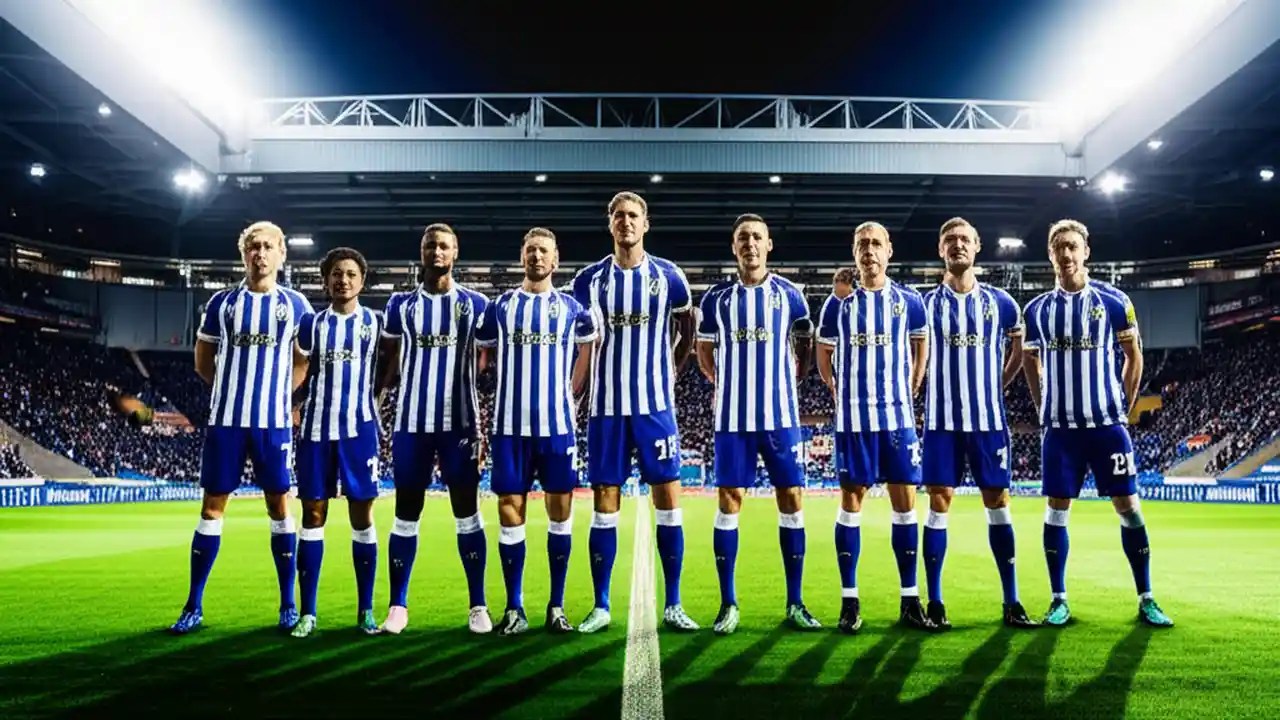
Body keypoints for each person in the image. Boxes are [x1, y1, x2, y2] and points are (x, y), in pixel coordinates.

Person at [1022, 219, 1173, 628]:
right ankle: (1058, 600)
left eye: (1072, 246)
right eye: (1059, 248)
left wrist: (1123, 405)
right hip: (1061, 431)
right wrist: (1042, 406)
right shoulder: (1037, 311)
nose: (1066, 254)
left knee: (1129, 508)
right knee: (1056, 511)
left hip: (1107, 427)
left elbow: (1134, 356)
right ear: (1050, 255)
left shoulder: (1113, 300)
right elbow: (1029, 361)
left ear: (1086, 251)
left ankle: (1146, 597)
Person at [171, 221, 312, 634]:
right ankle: (193, 605)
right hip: (227, 423)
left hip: (273, 425)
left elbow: (303, 360)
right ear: (243, 253)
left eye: (269, 247)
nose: (261, 253)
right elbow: (202, 360)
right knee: (212, 508)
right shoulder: (222, 303)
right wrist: (233, 390)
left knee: (280, 508)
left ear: (282, 254)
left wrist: (281, 394)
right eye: (254, 246)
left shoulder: (297, 305)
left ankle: (288, 604)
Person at [570, 191, 698, 633]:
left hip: (654, 408)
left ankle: (675, 603)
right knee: (605, 504)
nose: (626, 222)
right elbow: (580, 341)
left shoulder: (669, 277)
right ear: (609, 224)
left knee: (668, 500)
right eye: (619, 215)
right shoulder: (587, 280)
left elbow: (687, 327)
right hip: (605, 409)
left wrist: (672, 371)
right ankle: (601, 604)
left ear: (646, 224)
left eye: (633, 216)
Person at [696, 213, 819, 636]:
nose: (750, 243)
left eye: (757, 237)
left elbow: (804, 342)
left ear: (769, 246)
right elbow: (703, 351)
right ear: (734, 247)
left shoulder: (792, 297)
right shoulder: (716, 299)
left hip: (781, 418)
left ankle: (796, 601)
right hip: (732, 418)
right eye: (742, 238)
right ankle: (728, 604)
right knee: (729, 501)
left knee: (792, 499)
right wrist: (723, 382)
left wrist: (793, 376)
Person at [476, 227, 597, 636]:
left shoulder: (572, 308)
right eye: (530, 250)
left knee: (560, 518)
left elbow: (587, 352)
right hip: (509, 429)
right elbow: (482, 357)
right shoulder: (501, 307)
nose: (536, 257)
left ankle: (557, 606)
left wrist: (574, 397)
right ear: (521, 256)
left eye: (543, 251)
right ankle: (514, 608)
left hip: (557, 430)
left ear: (556, 259)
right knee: (510, 515)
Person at [919, 217, 1038, 630]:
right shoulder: (924, 305)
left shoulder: (1002, 304)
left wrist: (995, 384)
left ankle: (1012, 601)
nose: (957, 246)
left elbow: (1018, 352)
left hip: (988, 422)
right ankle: (935, 602)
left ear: (977, 246)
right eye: (949, 239)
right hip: (941, 423)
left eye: (964, 240)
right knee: (938, 504)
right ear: (940, 249)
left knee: (998, 502)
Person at [816, 221, 935, 634]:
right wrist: (836, 388)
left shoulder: (909, 302)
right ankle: (850, 601)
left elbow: (922, 344)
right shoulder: (837, 305)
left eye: (875, 244)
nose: (869, 250)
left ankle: (910, 599)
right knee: (851, 504)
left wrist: (916, 379)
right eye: (862, 244)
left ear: (889, 251)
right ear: (854, 253)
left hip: (898, 420)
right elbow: (823, 353)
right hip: (853, 423)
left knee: (905, 506)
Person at [378, 224, 492, 634]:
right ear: (422, 252)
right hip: (411, 424)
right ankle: (397, 606)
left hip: (460, 424)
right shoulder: (400, 305)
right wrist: (375, 403)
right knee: (405, 513)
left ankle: (478, 605)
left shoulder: (478, 305)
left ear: (455, 251)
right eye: (430, 245)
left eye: (444, 245)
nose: (437, 251)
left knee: (468, 513)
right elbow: (387, 360)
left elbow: (490, 359)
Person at [291, 247, 384, 637]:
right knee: (313, 517)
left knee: (362, 517)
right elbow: (298, 370)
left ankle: (365, 611)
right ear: (325, 280)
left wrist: (374, 404)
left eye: (350, 274)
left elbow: (388, 369)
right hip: (315, 432)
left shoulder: (376, 324)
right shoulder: (311, 325)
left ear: (361, 281)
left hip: (359, 433)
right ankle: (308, 613)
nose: (342, 280)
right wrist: (287, 404)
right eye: (335, 274)